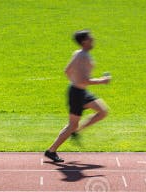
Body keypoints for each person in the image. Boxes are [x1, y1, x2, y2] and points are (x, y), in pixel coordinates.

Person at [44, 30, 111, 163]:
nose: (93, 39)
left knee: (103, 112)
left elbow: (67, 71)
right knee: (71, 125)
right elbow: (83, 80)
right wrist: (102, 81)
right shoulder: (83, 57)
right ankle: (51, 151)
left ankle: (77, 131)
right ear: (84, 41)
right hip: (77, 94)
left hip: (81, 92)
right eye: (90, 38)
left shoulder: (78, 53)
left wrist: (74, 82)